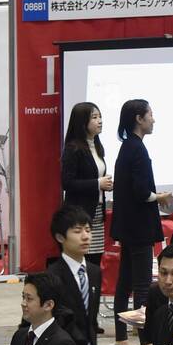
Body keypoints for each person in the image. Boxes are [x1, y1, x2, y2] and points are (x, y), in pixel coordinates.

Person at [110, 100, 173, 345]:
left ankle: (121, 338)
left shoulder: (128, 147)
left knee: (125, 282)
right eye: (150, 114)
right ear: (139, 118)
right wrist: (160, 197)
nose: (153, 119)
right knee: (141, 285)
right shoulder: (136, 149)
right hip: (139, 226)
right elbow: (141, 191)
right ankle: (145, 341)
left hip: (129, 226)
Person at [47, 204, 102, 345]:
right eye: (77, 231)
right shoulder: (52, 275)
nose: (85, 236)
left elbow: (91, 319)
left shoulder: (94, 272)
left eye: (88, 230)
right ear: (60, 237)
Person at [61, 102, 111, 264]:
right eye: (95, 117)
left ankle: (92, 290)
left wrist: (105, 184)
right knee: (82, 260)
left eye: (100, 116)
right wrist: (97, 183)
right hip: (80, 214)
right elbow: (67, 183)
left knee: (95, 261)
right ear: (82, 122)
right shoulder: (73, 148)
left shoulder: (97, 145)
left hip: (96, 212)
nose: (100, 121)